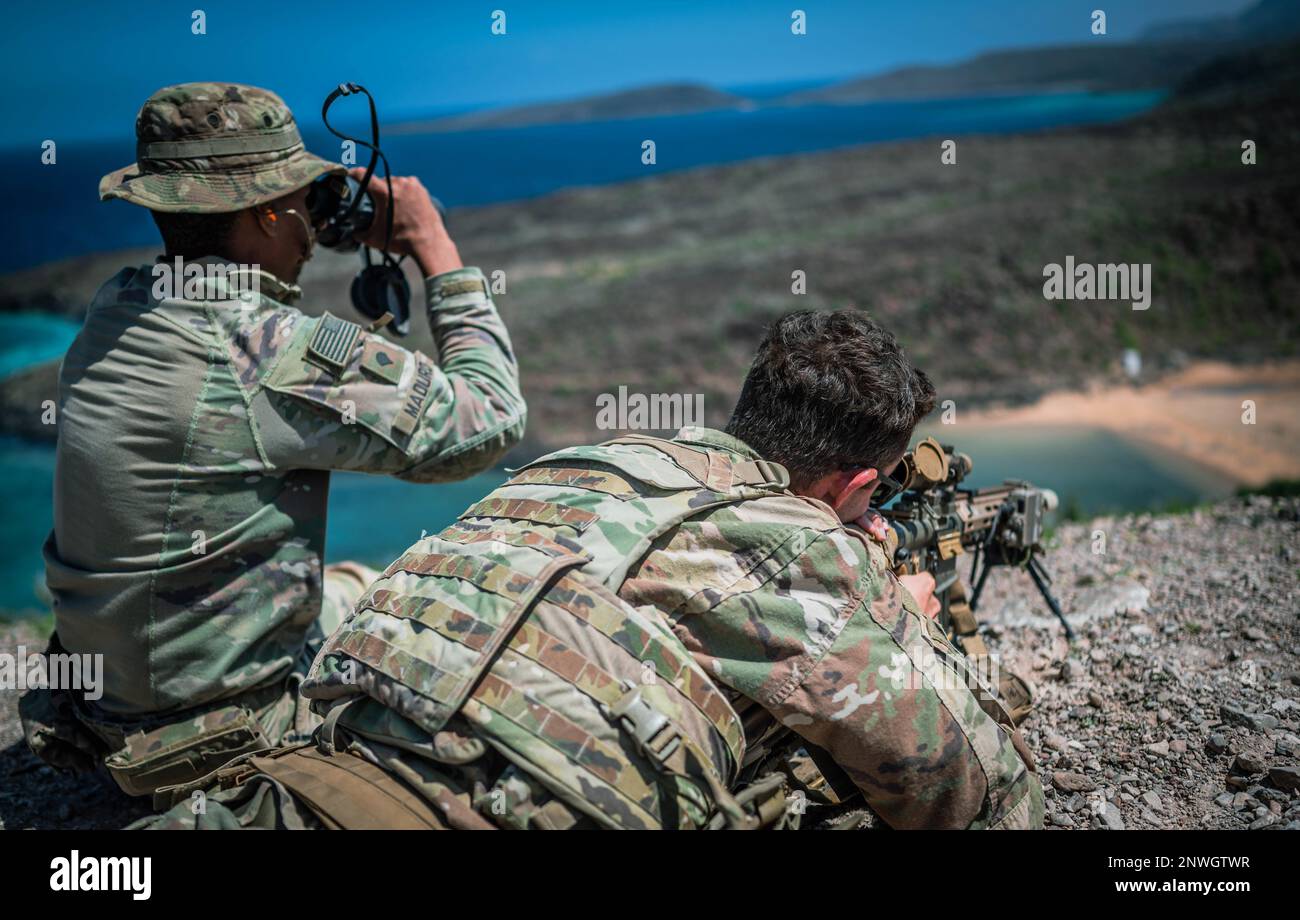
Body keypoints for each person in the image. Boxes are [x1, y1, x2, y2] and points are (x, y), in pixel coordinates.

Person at [143, 309, 1041, 830]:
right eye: (868, 500)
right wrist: (906, 619)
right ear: (854, 483)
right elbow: (969, 791)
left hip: (284, 793)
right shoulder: (797, 544)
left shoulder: (573, 468)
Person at [19, 83, 526, 798]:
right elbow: (491, 420)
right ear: (267, 214)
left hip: (110, 702)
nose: (311, 232)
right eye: (301, 206)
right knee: (479, 607)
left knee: (354, 581)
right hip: (229, 732)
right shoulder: (268, 353)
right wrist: (434, 248)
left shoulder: (117, 307)